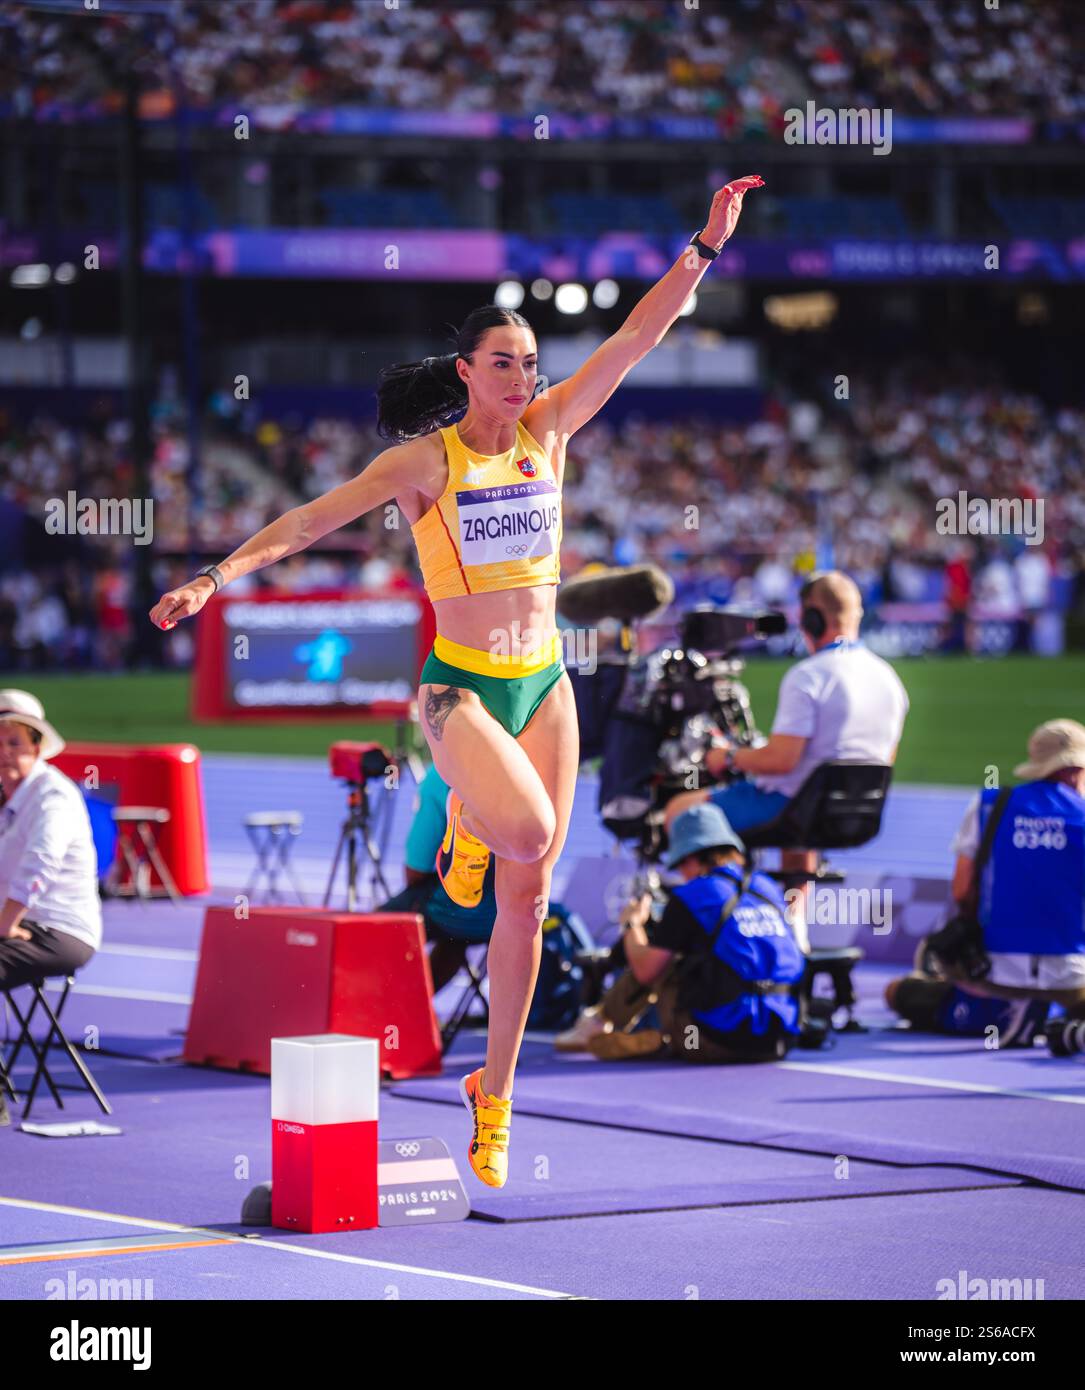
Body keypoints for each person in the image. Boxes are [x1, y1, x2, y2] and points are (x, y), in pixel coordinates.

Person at [150, 173, 765, 1186]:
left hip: (544, 686)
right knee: (521, 831)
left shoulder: (553, 432)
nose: (522, 378)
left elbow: (638, 336)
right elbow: (308, 520)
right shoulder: (422, 466)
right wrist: (216, 577)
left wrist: (703, 245)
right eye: (503, 364)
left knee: (525, 904)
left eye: (529, 363)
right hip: (457, 691)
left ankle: (496, 1090)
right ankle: (467, 831)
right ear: (465, 370)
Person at [663, 571, 909, 838]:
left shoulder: (809, 675)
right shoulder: (890, 679)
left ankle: (720, 878)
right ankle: (799, 881)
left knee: (678, 810)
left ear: (810, 619)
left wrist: (727, 757)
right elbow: (885, 757)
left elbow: (781, 761)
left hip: (791, 808)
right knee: (799, 811)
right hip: (855, 812)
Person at [886, 719, 1085, 1047]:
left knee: (897, 992)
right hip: (1071, 974)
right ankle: (1069, 1029)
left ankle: (1019, 1002)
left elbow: (962, 890)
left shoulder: (991, 804)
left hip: (994, 973)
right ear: (1078, 769)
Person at [561, 803, 804, 1063]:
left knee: (662, 960)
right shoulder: (766, 887)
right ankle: (650, 1036)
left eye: (679, 866)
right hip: (781, 1038)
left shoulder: (692, 896)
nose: (681, 874)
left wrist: (633, 924)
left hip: (715, 1039)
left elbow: (646, 971)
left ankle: (609, 1026)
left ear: (691, 857)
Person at [0, 690, 102, 1125]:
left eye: (14, 742)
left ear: (37, 747)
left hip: (62, 931)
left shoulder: (52, 796)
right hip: (22, 922)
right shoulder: (7, 796)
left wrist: (5, 924)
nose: (4, 753)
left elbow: (41, 861)